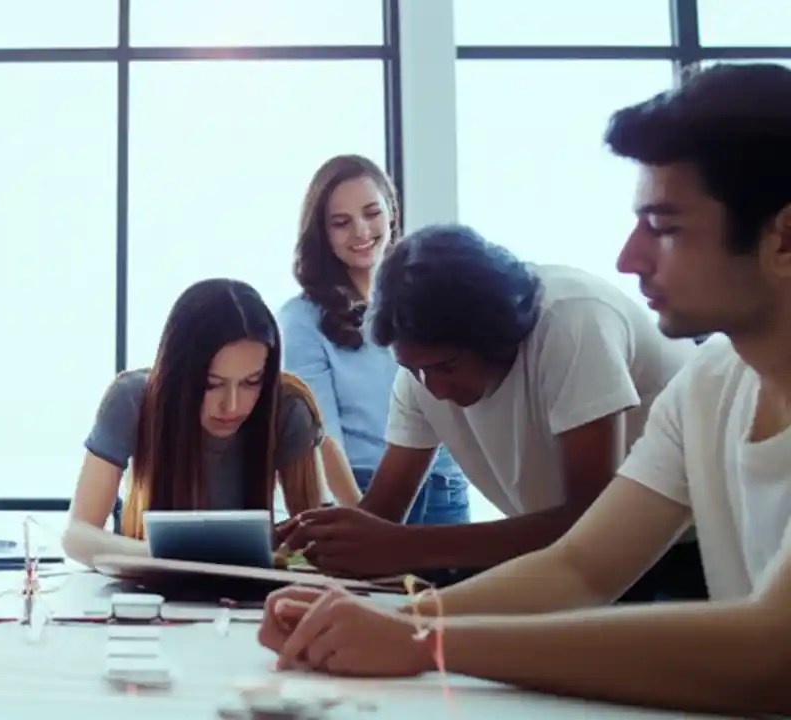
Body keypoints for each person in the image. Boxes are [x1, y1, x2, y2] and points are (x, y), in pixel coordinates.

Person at [257, 62, 791, 717]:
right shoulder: (705, 387)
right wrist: (397, 621)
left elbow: (773, 654)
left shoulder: (579, 323)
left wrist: (427, 638)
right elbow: (579, 568)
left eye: (665, 226)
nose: (628, 257)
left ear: (783, 237)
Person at [277, 224, 702, 597]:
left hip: (684, 552)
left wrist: (407, 546)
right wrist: (308, 547)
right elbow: (382, 514)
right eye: (413, 369)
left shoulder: (572, 322)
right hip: (576, 560)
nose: (434, 389)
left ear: (495, 336)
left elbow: (593, 521)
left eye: (446, 367)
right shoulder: (421, 372)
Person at [61, 278, 356, 566]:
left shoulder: (287, 408)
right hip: (151, 589)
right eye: (211, 384)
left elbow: (317, 546)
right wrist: (173, 560)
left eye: (251, 382)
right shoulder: (132, 399)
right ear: (178, 374)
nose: (232, 405)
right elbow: (78, 535)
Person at [278, 154, 470, 525]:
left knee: (456, 585)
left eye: (372, 213)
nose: (361, 232)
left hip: (443, 483)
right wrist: (362, 520)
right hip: (363, 485)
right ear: (323, 232)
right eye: (341, 222)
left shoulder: (426, 296)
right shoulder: (301, 319)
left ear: (392, 213)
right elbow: (324, 437)